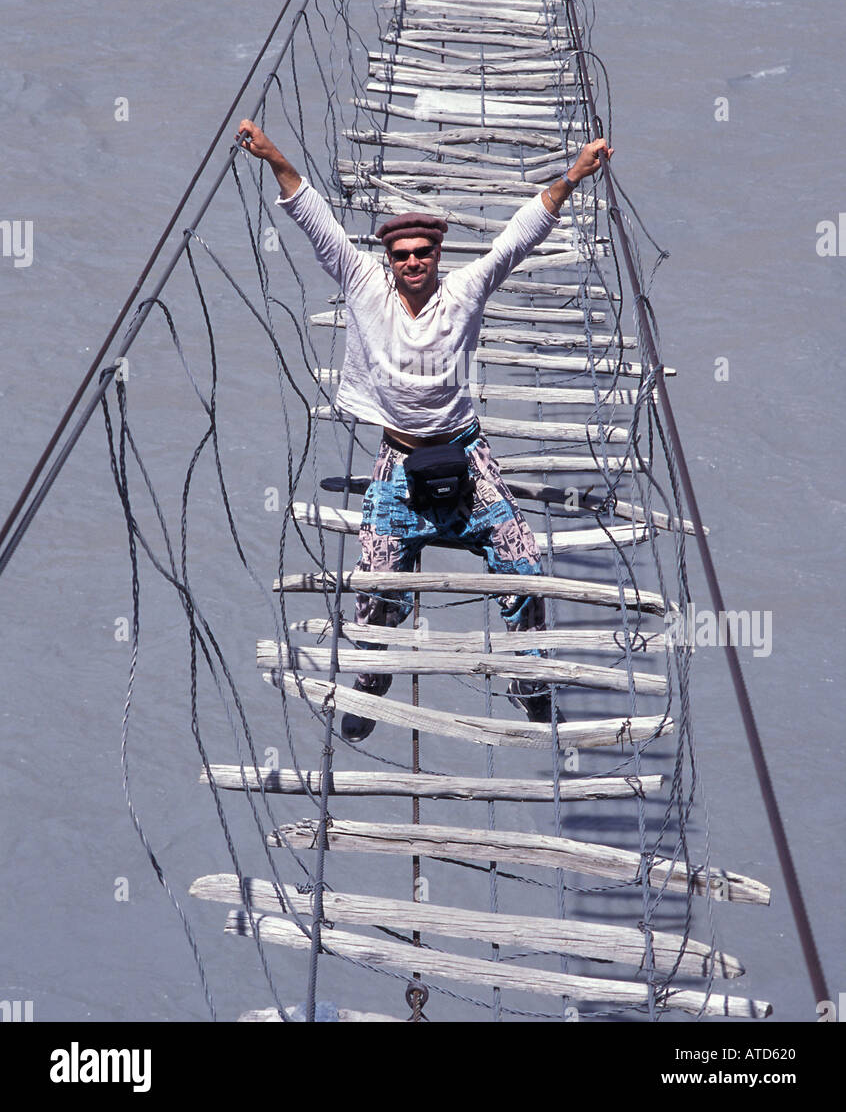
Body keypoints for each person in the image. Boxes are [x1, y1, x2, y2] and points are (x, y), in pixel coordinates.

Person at [237, 118, 612, 740]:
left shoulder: (464, 291)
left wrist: (573, 175)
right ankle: (374, 674)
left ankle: (531, 677)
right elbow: (315, 220)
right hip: (399, 454)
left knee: (520, 556)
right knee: (378, 574)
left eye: (423, 253)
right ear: (389, 259)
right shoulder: (363, 284)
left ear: (438, 256)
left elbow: (517, 239)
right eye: (402, 255)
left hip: (467, 455)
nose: (412, 262)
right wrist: (273, 155)